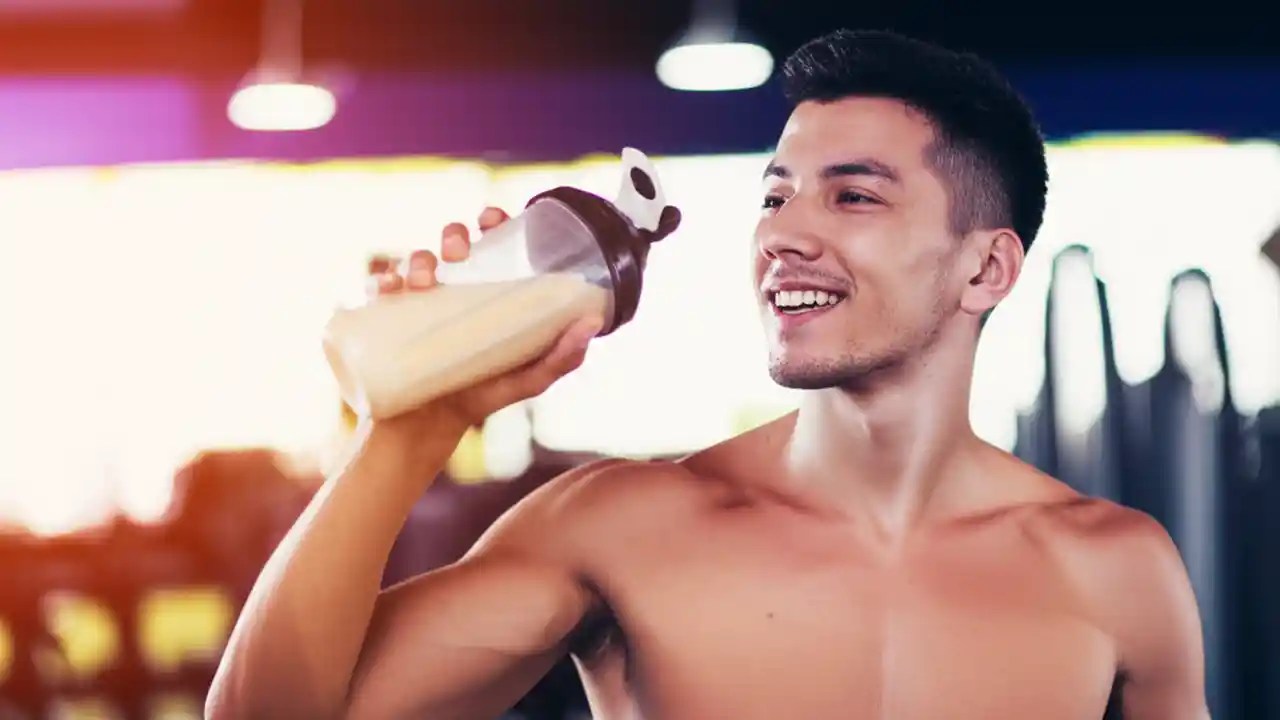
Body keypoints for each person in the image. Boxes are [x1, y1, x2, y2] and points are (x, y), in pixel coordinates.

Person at [207, 29, 1210, 719]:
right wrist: (412, 431)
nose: (785, 236)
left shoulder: (1114, 571)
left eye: (851, 198)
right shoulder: (626, 526)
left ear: (984, 267)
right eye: (774, 198)